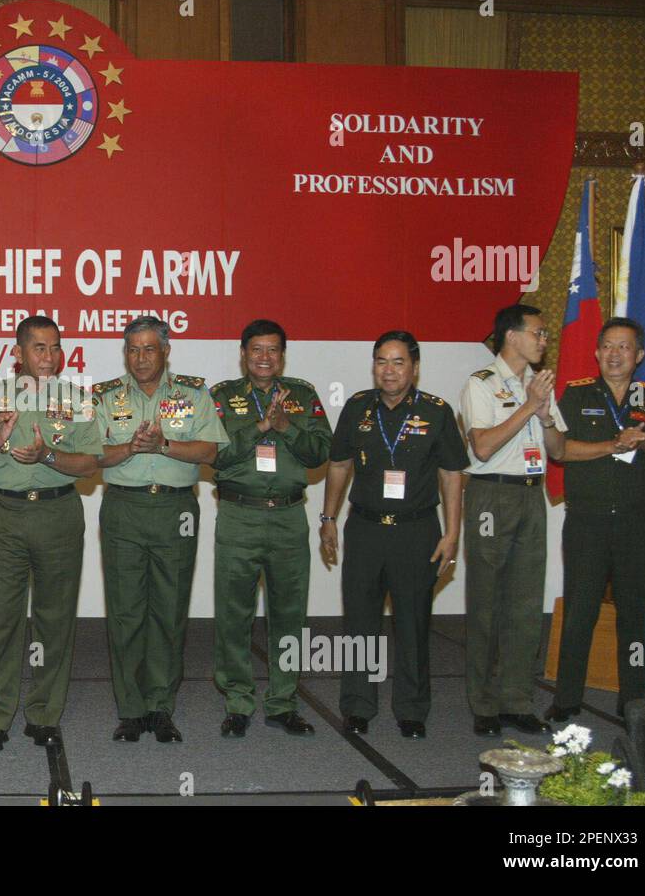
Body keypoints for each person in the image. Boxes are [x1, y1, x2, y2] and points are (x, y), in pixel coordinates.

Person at [0, 315, 102, 752]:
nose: (49, 356)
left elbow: (91, 463)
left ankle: (43, 713)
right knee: (2, 619)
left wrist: (49, 456)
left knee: (54, 619)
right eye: (39, 348)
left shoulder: (77, 399)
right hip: (7, 516)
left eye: (55, 347)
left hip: (59, 514)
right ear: (18, 353)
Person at [319, 331, 467, 739]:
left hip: (417, 531)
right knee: (360, 621)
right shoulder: (356, 408)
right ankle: (358, 706)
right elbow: (338, 465)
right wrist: (328, 517)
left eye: (398, 362)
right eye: (382, 361)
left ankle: (412, 710)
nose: (389, 370)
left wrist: (453, 533)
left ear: (415, 368)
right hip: (365, 528)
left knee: (413, 623)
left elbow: (452, 474)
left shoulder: (437, 412)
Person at [91, 316, 226, 744]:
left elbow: (210, 450)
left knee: (168, 609)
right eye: (133, 349)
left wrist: (164, 444)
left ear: (166, 351)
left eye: (150, 348)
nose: (141, 357)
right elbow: (91, 455)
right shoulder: (105, 396)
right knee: (126, 610)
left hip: (175, 508)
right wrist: (129, 447)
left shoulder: (193, 392)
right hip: (124, 507)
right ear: (124, 352)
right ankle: (131, 710)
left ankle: (160, 707)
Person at [549, 318, 645, 723]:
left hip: (635, 525)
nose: (614, 354)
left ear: (638, 355)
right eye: (607, 346)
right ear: (596, 352)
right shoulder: (576, 394)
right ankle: (567, 697)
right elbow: (562, 451)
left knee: (634, 612)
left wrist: (643, 439)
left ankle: (634, 699)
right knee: (579, 612)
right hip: (587, 522)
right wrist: (613, 444)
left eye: (623, 347)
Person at [209, 319, 331, 738]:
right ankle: (238, 701)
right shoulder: (222, 397)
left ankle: (282, 702)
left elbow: (320, 453)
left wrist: (286, 427)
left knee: (289, 615)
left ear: (283, 355)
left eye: (273, 350)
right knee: (233, 614)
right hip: (239, 516)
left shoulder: (303, 394)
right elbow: (216, 456)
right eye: (256, 349)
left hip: (288, 517)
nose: (264, 357)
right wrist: (261, 426)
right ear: (243, 354)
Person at [458, 304, 566, 737]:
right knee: (487, 601)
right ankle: (483, 702)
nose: (544, 340)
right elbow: (482, 447)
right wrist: (528, 407)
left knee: (524, 603)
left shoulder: (538, 386)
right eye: (538, 333)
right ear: (512, 337)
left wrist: (543, 413)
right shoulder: (480, 383)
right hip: (491, 495)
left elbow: (557, 449)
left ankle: (516, 699)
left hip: (530, 495)